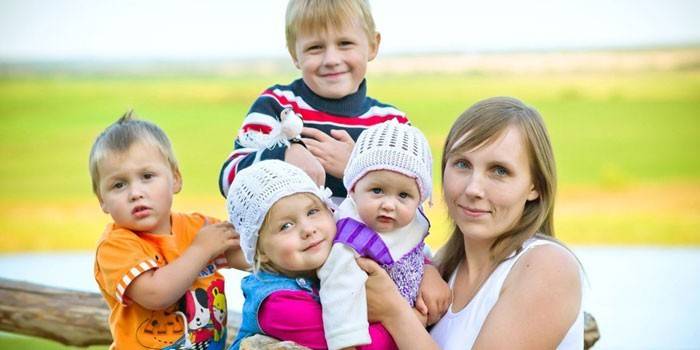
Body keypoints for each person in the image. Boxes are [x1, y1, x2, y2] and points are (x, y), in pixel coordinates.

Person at [358, 97, 585, 349]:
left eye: (499, 170)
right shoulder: (442, 267)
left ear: (535, 187)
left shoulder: (548, 268)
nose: (473, 188)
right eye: (462, 164)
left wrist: (394, 312)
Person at [218, 0, 408, 206]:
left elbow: (412, 199)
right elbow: (229, 181)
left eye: (345, 43)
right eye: (315, 47)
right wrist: (284, 157)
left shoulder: (392, 124)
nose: (331, 59)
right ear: (294, 54)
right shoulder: (276, 106)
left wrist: (356, 167)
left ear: (373, 45)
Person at [90, 111, 247, 349]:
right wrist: (201, 250)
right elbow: (156, 294)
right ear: (102, 200)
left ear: (175, 179)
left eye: (147, 176)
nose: (135, 193)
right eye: (118, 185)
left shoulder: (197, 228)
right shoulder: (115, 246)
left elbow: (250, 253)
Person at [227, 160, 397, 350]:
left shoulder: (340, 252)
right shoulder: (278, 304)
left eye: (313, 211)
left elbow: (399, 251)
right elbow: (356, 345)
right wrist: (403, 317)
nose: (308, 229)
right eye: (286, 226)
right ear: (261, 252)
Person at [318, 120, 450, 349]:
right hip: (373, 334)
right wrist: (346, 342)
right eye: (377, 190)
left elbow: (414, 249)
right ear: (353, 188)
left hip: (412, 326)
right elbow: (338, 295)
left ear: (419, 199)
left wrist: (430, 269)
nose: (389, 204)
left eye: (403, 195)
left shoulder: (407, 222)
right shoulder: (350, 240)